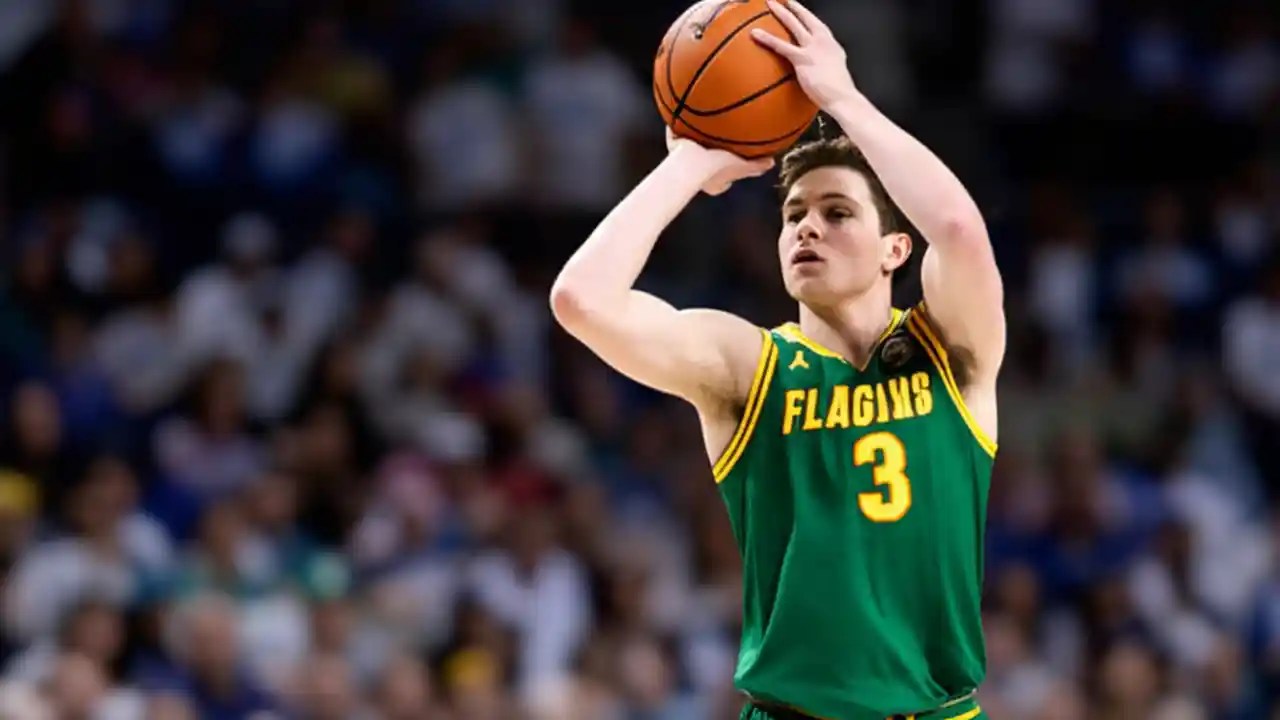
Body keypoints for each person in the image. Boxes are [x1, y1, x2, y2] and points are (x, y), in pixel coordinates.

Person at [550, 1, 1004, 719]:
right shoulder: (748, 368)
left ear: (896, 249)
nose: (806, 229)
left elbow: (955, 225)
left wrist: (844, 100)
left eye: (837, 212)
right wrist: (689, 164)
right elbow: (580, 299)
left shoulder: (948, 352)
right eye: (793, 214)